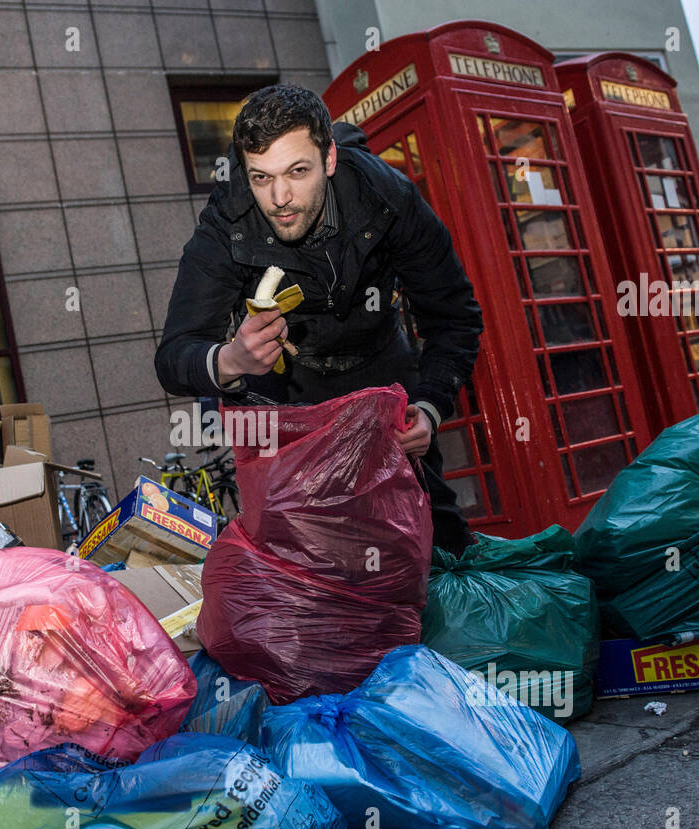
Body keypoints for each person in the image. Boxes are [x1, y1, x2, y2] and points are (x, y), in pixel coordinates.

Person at [154, 85, 483, 556]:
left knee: (436, 543)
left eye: (297, 171)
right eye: (261, 178)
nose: (280, 197)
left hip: (382, 384)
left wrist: (430, 406)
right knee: (306, 570)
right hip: (284, 406)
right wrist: (230, 359)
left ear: (329, 158)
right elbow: (172, 356)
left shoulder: (388, 200)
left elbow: (455, 317)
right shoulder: (225, 224)